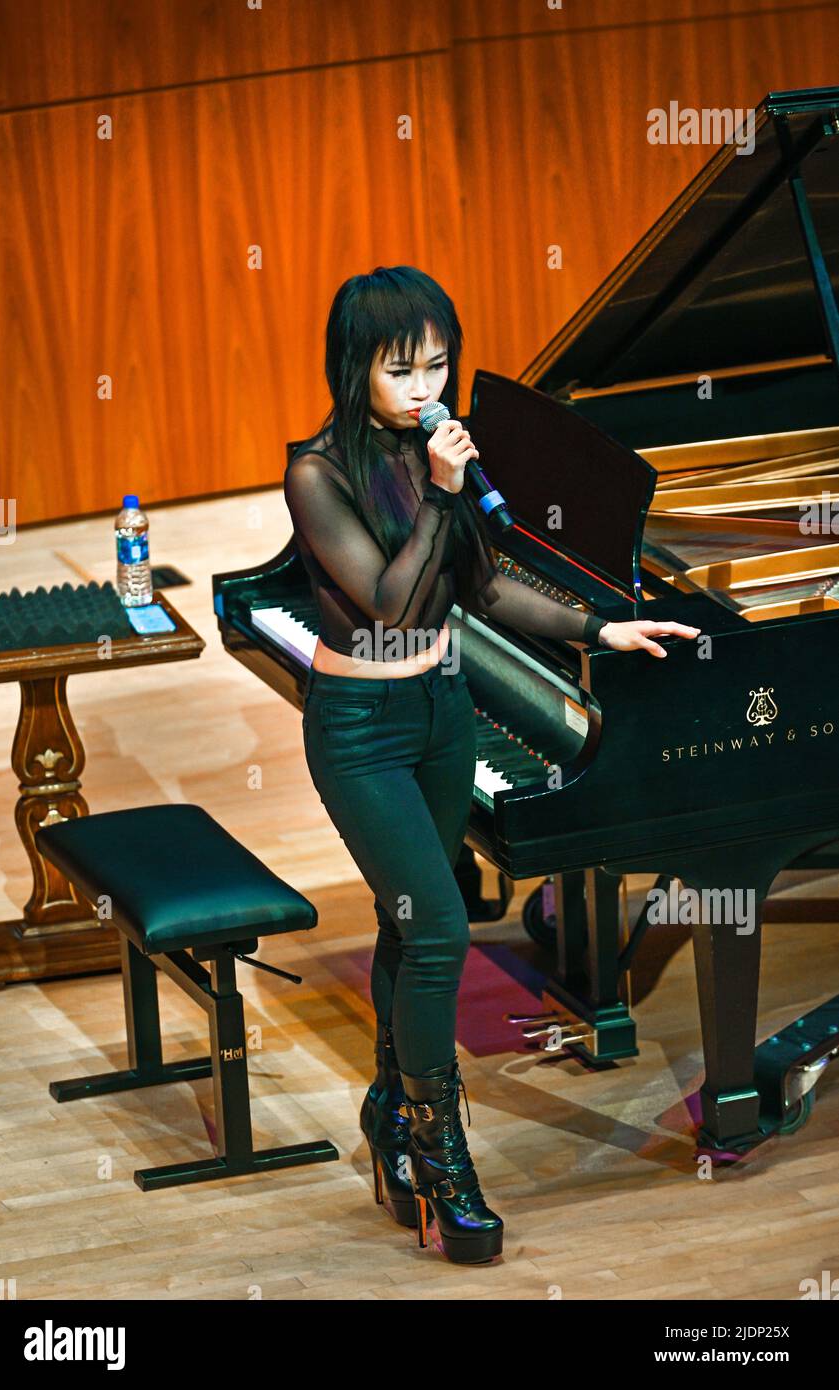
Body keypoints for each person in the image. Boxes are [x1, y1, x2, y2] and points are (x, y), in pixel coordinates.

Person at [283, 265, 700, 1265]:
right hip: (359, 726)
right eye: (401, 370)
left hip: (439, 710)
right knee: (436, 934)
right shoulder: (316, 474)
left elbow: (482, 591)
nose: (425, 388)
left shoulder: (440, 457)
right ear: (354, 367)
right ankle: (442, 1159)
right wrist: (442, 491)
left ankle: (392, 1112)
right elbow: (390, 605)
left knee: (415, 919)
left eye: (437, 365)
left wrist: (600, 626)